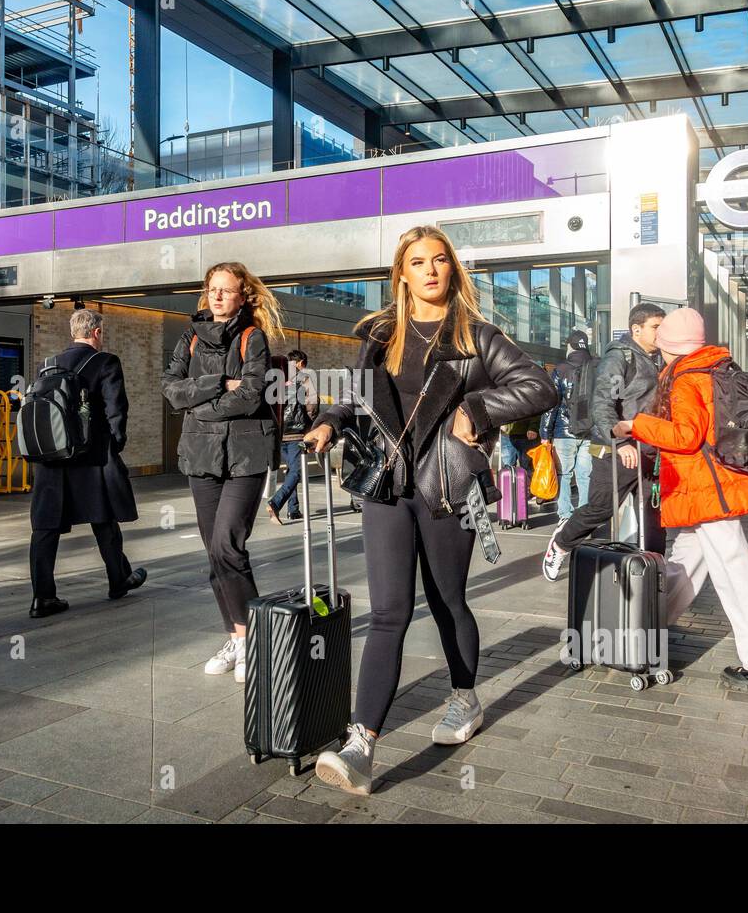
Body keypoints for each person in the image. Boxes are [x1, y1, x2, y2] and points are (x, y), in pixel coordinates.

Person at [303, 224, 556, 796]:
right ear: (402, 274)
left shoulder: (478, 335)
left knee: (447, 602)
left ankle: (465, 698)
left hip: (449, 488)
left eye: (440, 260)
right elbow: (355, 393)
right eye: (419, 262)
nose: (432, 270)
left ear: (453, 269)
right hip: (388, 488)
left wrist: (479, 406)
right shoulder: (380, 334)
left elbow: (539, 386)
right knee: (389, 611)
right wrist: (330, 422)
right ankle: (361, 744)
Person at [615, 308, 748, 695]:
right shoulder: (717, 370)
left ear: (671, 348)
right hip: (728, 487)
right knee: (723, 576)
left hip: (712, 492)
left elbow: (685, 436)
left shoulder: (687, 380)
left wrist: (635, 425)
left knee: (739, 576)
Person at [161, 262, 284, 683]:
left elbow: (251, 395)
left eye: (225, 291)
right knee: (214, 555)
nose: (216, 296)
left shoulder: (253, 337)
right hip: (200, 456)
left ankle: (254, 640)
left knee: (228, 546)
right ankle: (237, 636)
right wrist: (217, 385)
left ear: (241, 296)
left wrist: (199, 405)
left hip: (246, 456)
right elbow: (170, 388)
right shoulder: (190, 335)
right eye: (212, 289)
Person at [28, 308, 147, 619]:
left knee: (44, 527)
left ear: (72, 332)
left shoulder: (47, 365)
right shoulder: (106, 362)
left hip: (51, 458)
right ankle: (117, 579)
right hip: (91, 457)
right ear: (96, 332)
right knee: (103, 519)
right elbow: (116, 409)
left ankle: (43, 597)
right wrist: (114, 445)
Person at [542, 303, 666, 581]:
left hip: (649, 453)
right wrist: (620, 443)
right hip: (617, 453)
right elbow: (602, 405)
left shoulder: (656, 358)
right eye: (655, 327)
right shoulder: (619, 358)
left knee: (654, 518)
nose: (662, 333)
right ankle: (561, 544)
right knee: (601, 508)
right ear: (637, 329)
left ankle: (655, 577)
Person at [540, 329, 595, 526]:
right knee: (585, 475)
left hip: (564, 432)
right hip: (589, 431)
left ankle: (565, 514)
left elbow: (551, 404)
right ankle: (584, 515)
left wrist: (545, 433)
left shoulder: (561, 369)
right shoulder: (596, 366)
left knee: (564, 474)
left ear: (570, 347)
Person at [267, 349, 319, 525]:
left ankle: (293, 509)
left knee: (292, 471)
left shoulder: (276, 378)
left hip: (278, 433)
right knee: (297, 471)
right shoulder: (304, 379)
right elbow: (312, 405)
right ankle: (276, 502)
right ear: (300, 363)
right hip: (296, 434)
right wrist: (309, 427)